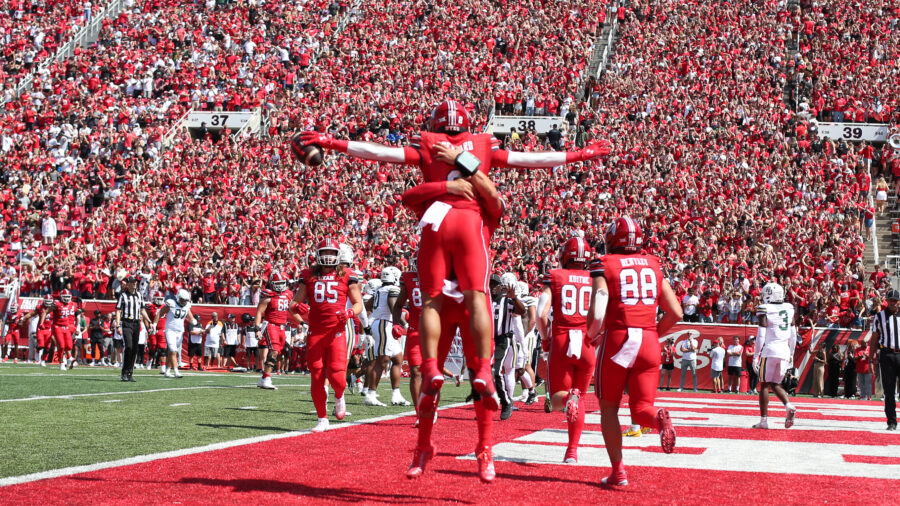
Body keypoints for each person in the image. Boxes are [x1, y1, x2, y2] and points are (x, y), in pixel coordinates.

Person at [299, 100, 610, 416]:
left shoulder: (430, 145)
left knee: (433, 300)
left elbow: (383, 155)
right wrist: (580, 154)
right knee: (478, 298)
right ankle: (483, 375)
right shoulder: (482, 146)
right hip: (473, 229)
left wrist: (331, 142)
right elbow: (531, 159)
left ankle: (434, 369)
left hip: (436, 228)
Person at [401, 169, 505, 482]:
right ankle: (423, 446)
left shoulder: (483, 211)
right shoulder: (436, 207)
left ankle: (485, 448)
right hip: (442, 303)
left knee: (480, 379)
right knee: (431, 378)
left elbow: (497, 201)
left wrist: (470, 174)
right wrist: (446, 186)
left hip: (472, 301)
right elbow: (408, 198)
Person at [587, 216, 682, 486]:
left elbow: (599, 304)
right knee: (642, 409)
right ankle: (659, 419)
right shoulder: (653, 263)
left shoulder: (605, 263)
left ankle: (618, 471)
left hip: (619, 336)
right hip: (649, 340)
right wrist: (653, 333)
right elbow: (675, 311)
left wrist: (592, 334)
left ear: (610, 241)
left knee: (608, 409)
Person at [293, 239, 363, 432]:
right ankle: (322, 418)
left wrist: (349, 313)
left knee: (336, 375)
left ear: (338, 255)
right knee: (316, 376)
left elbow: (358, 304)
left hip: (337, 332)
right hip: (315, 332)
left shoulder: (348, 275)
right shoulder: (308, 275)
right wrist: (301, 311)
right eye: (324, 253)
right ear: (318, 255)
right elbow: (293, 305)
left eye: (331, 253)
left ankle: (339, 395)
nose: (328, 257)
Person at [536, 235, 595, 463]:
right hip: (586, 342)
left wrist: (545, 337)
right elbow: (601, 313)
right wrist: (595, 336)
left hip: (562, 339)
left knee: (559, 397)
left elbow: (541, 312)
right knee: (579, 402)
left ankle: (570, 397)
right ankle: (572, 451)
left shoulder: (556, 276)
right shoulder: (594, 277)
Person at [751, 282, 798, 429]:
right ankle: (788, 405)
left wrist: (755, 355)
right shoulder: (789, 307)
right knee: (775, 384)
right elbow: (793, 334)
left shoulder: (765, 308)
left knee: (764, 384)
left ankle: (764, 421)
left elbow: (761, 335)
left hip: (770, 350)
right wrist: (791, 354)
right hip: (784, 350)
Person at [366, 265, 410, 407]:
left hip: (382, 323)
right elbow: (393, 306)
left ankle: (396, 394)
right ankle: (371, 395)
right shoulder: (393, 289)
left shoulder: (379, 289)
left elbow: (367, 305)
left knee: (397, 359)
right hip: (384, 324)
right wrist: (404, 323)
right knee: (382, 361)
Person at [393, 256, 425, 422]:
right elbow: (399, 304)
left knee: (432, 374)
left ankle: (429, 406)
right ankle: (419, 413)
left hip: (435, 332)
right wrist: (395, 323)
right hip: (414, 331)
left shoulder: (441, 277)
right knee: (415, 371)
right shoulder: (409, 278)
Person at [254, 272, 298, 390]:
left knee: (278, 352)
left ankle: (263, 378)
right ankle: (267, 378)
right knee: (273, 351)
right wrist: (257, 328)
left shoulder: (288, 294)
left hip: (282, 327)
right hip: (271, 325)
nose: (279, 286)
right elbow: (259, 312)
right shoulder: (268, 296)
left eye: (281, 283)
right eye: (276, 283)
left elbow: (293, 308)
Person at [493, 272, 525, 420]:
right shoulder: (485, 300)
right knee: (480, 373)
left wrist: (514, 297)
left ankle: (506, 402)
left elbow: (522, 311)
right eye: (490, 284)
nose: (492, 288)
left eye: (495, 285)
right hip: (486, 340)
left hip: (502, 340)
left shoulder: (507, 300)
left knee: (496, 371)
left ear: (501, 287)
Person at [870, 289, 900, 430]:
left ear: (899, 302)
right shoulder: (879, 316)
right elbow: (874, 339)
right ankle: (892, 422)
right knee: (889, 390)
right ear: (886, 301)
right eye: (891, 300)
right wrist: (871, 358)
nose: (893, 303)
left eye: (895, 300)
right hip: (887, 354)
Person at [152, 289, 196, 378]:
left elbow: (190, 317)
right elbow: (160, 313)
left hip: (180, 332)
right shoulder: (171, 303)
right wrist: (155, 324)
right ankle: (176, 371)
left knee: (171, 352)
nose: (184, 302)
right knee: (173, 351)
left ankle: (167, 371)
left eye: (185, 300)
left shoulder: (187, 305)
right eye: (182, 299)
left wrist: (194, 322)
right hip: (170, 330)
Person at [115, 276, 151, 382]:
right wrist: (118, 325)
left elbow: (143, 310)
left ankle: (130, 372)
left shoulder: (139, 295)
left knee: (135, 348)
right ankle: (124, 372)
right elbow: (118, 310)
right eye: (132, 282)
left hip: (136, 323)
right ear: (128, 284)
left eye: (136, 282)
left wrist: (149, 321)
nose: (135, 283)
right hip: (126, 322)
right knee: (129, 347)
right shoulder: (123, 295)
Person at [39, 289, 78, 370]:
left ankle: (69, 358)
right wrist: (41, 323)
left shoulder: (72, 304)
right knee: (61, 345)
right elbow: (45, 311)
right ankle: (61, 363)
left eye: (68, 297)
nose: (67, 298)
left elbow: (76, 314)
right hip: (57, 326)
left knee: (69, 346)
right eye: (65, 297)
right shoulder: (56, 303)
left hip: (66, 326)